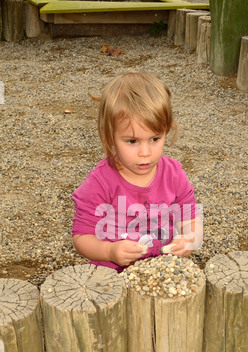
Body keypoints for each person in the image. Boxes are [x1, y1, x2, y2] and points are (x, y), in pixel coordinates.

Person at [72, 71, 203, 273]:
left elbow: (192, 220)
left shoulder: (174, 174)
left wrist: (189, 241)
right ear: (110, 137)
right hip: (112, 277)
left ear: (166, 131)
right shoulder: (100, 181)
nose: (145, 153)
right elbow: (81, 237)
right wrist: (109, 251)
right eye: (132, 141)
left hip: (164, 272)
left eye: (155, 139)